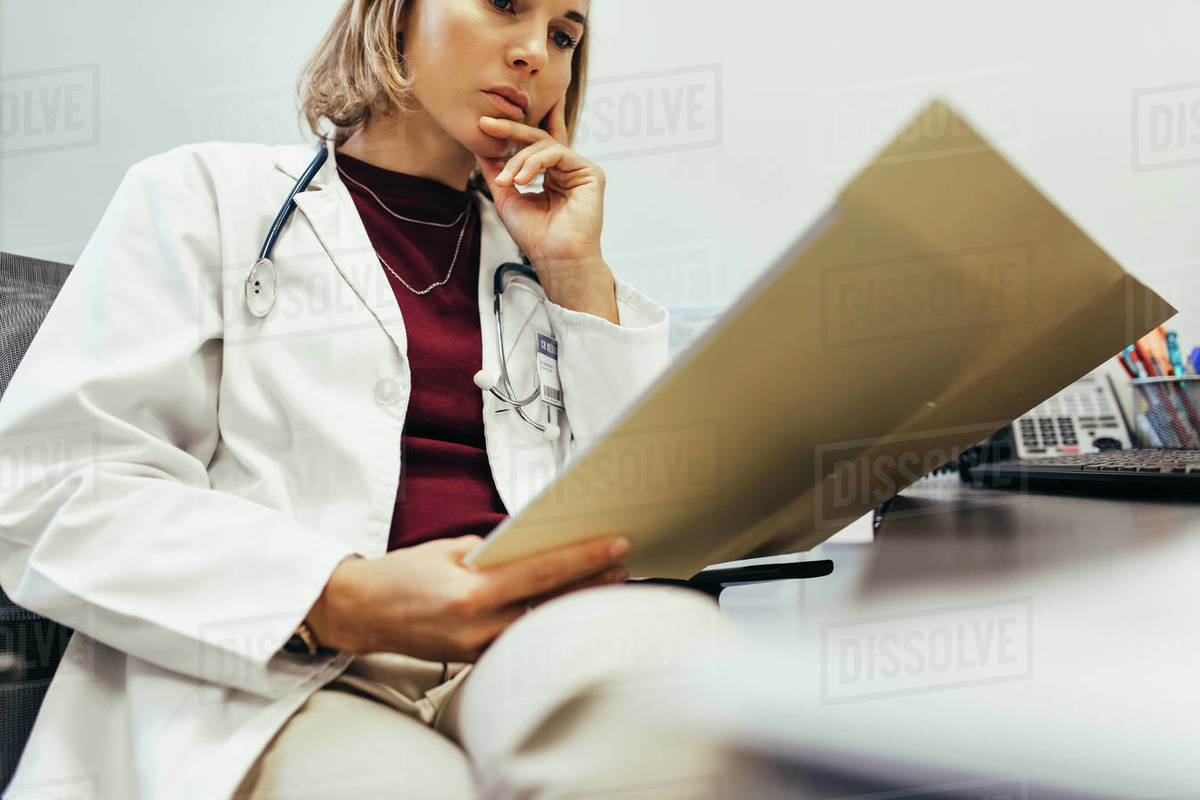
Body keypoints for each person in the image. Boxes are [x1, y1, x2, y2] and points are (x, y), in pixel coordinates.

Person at [0, 1, 752, 798]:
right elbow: (52, 488)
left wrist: (573, 268)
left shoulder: (541, 264)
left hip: (525, 651)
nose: (536, 51)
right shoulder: (202, 196)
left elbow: (641, 521)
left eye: (564, 35)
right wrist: (342, 597)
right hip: (287, 664)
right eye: (505, 5)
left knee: (681, 683)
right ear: (396, 14)